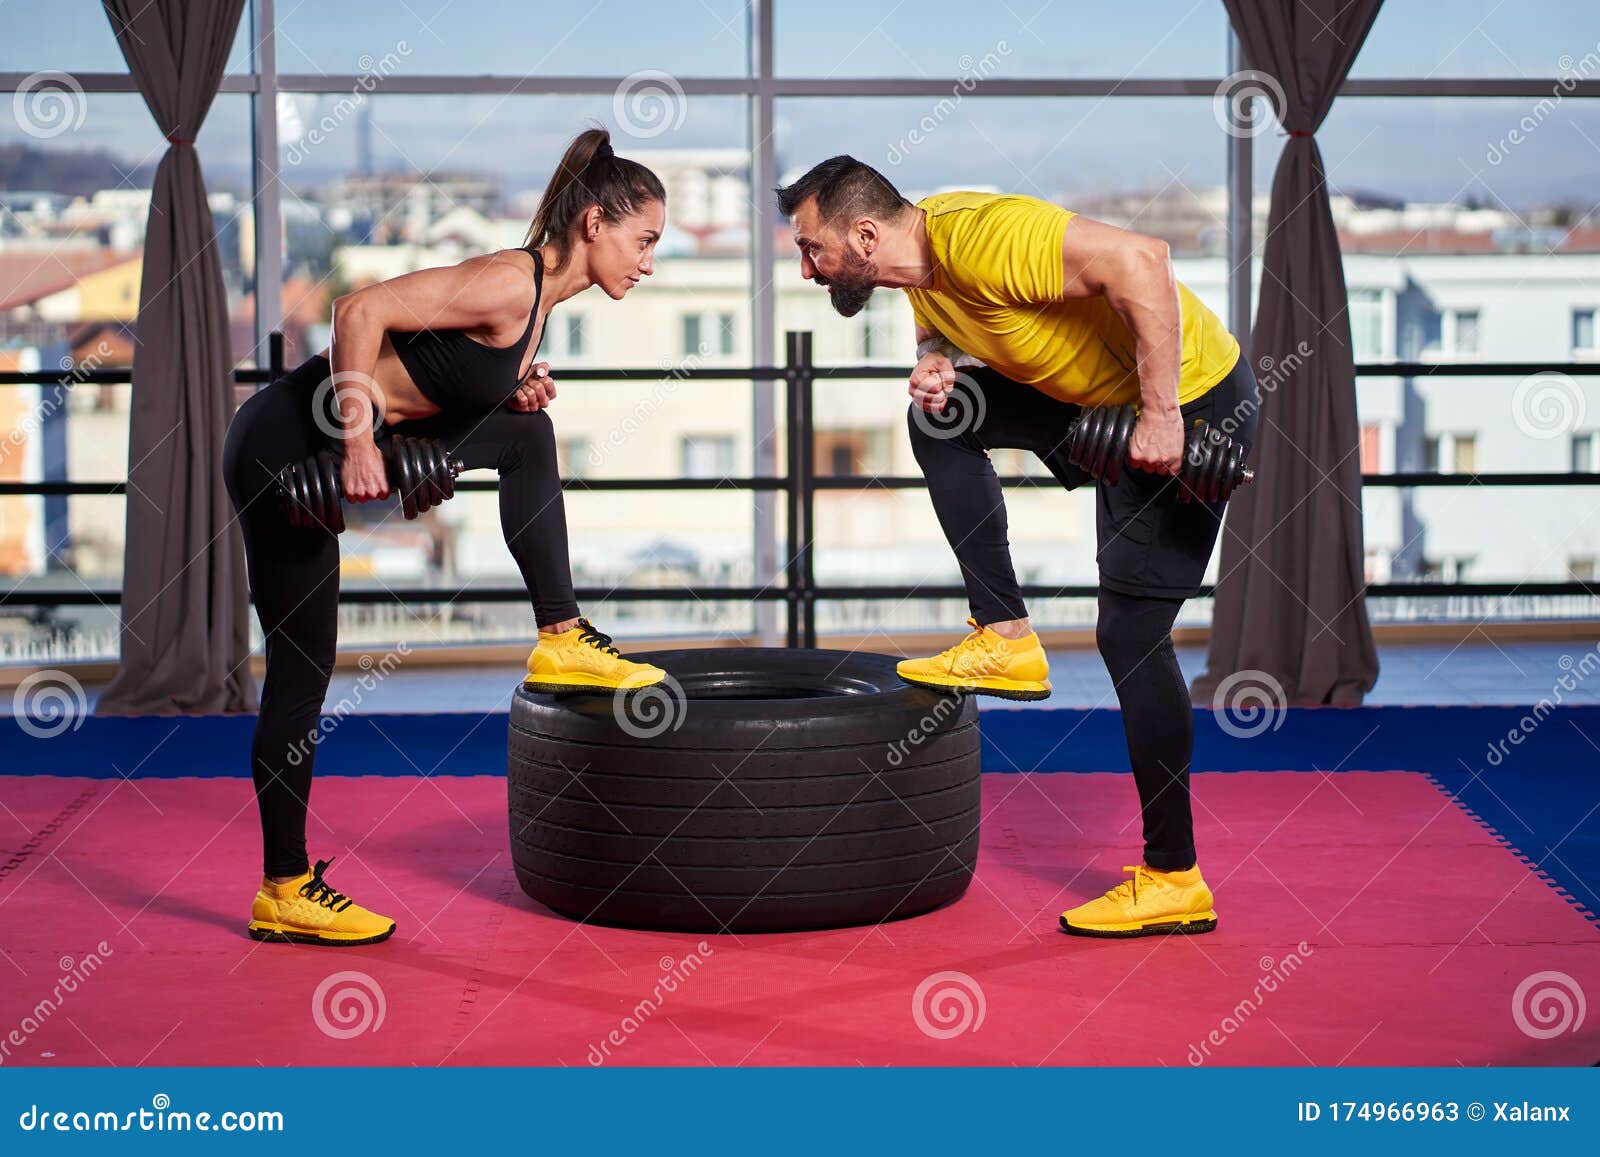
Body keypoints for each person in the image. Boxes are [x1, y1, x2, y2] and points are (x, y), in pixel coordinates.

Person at [776, 156, 1259, 938]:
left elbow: (1146, 261)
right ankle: (1004, 635)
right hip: (1093, 404)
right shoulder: (916, 262)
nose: (806, 268)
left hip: (1189, 403)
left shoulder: (988, 237)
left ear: (863, 234)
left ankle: (1174, 877)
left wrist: (1164, 414)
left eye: (811, 249)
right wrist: (935, 361)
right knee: (941, 414)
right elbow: (946, 320)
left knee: (1131, 636)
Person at [222, 128, 667, 946]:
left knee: (526, 436)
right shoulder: (508, 282)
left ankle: (562, 634)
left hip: (343, 442)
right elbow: (361, 310)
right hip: (284, 445)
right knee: (302, 668)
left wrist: (503, 398)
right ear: (595, 223)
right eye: (644, 241)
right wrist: (358, 441)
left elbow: (432, 379)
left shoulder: (539, 311)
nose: (648, 262)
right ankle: (283, 886)